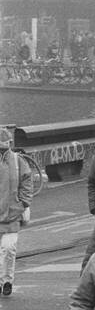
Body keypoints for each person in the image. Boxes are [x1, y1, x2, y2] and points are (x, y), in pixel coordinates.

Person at [0, 127, 34, 297]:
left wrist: (23, 202)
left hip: (12, 214)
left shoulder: (18, 161)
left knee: (8, 249)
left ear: (10, 143)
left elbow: (27, 181)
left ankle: (6, 281)